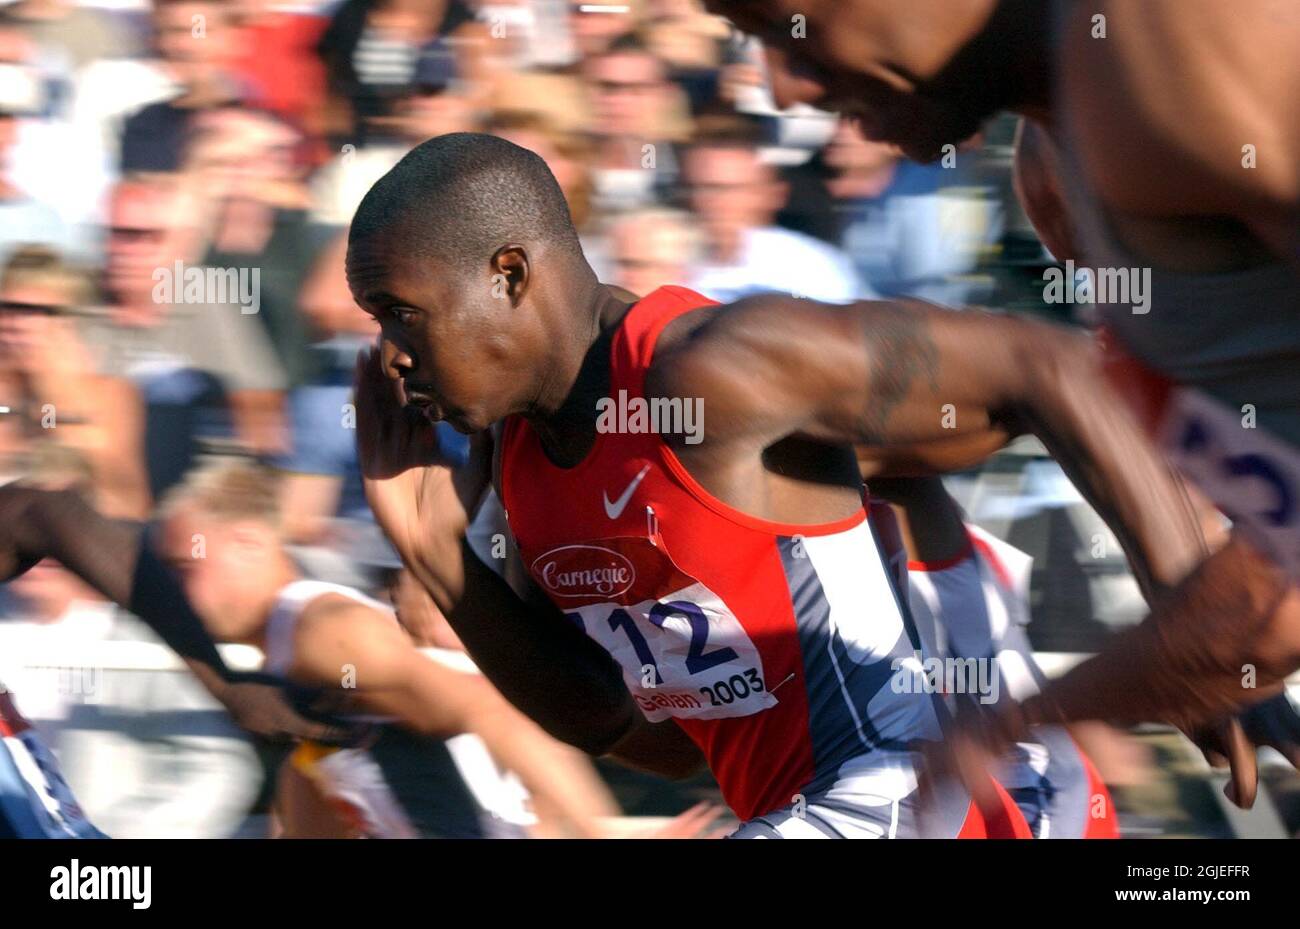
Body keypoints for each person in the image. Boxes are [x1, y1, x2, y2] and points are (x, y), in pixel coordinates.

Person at [347, 132, 1207, 837]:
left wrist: (1196, 633)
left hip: (937, 800)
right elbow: (637, 732)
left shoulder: (715, 368)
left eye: (400, 310)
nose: (390, 355)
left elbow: (1048, 364)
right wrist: (436, 556)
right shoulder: (519, 465)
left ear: (508, 272)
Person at [700, 0, 1300, 805]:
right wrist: (1194, 629)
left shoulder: (1171, 37)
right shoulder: (1052, 169)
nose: (786, 86)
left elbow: (1276, 596)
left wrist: (1030, 717)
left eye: (783, 21)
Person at [155, 459, 621, 838]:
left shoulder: (321, 632)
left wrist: (598, 833)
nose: (173, 593)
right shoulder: (289, 661)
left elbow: (491, 710)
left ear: (249, 542)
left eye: (184, 567)